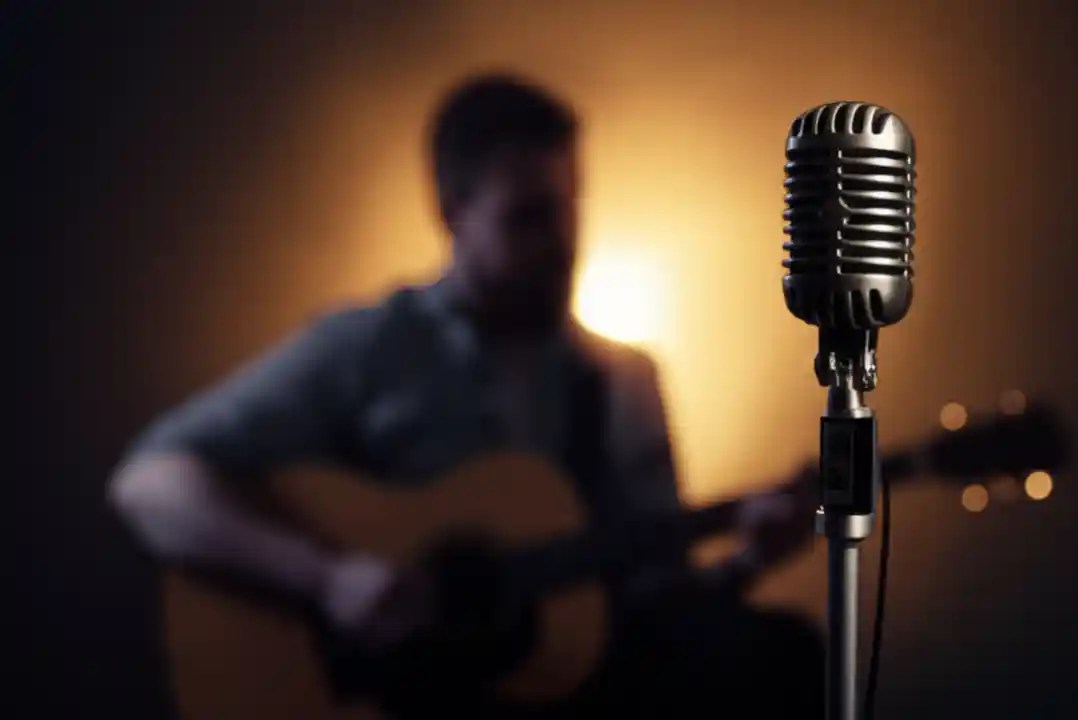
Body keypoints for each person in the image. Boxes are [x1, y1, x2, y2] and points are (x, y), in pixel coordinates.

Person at [109, 73, 821, 719]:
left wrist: (747, 560)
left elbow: (649, 601)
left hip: (570, 687)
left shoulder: (622, 379)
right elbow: (150, 485)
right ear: (452, 212)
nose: (564, 242)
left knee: (779, 653)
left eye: (572, 208)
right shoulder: (369, 345)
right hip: (399, 697)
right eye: (528, 217)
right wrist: (329, 578)